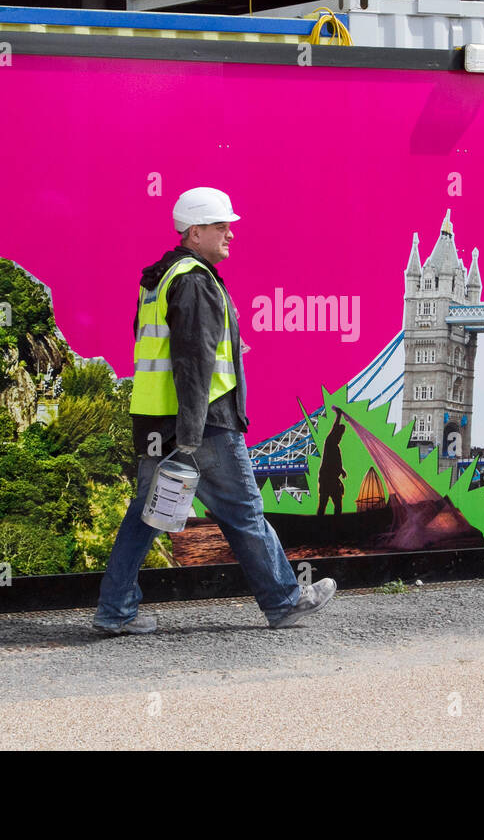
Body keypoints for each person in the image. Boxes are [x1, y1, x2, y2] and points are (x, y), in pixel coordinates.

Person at [92, 187, 337, 635]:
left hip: (155, 420)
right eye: (221, 226)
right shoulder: (195, 280)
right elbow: (193, 362)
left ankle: (115, 611)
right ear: (195, 232)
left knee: (145, 515)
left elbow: (160, 346)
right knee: (245, 513)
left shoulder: (161, 278)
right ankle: (284, 600)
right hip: (203, 424)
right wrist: (189, 436)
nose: (230, 234)